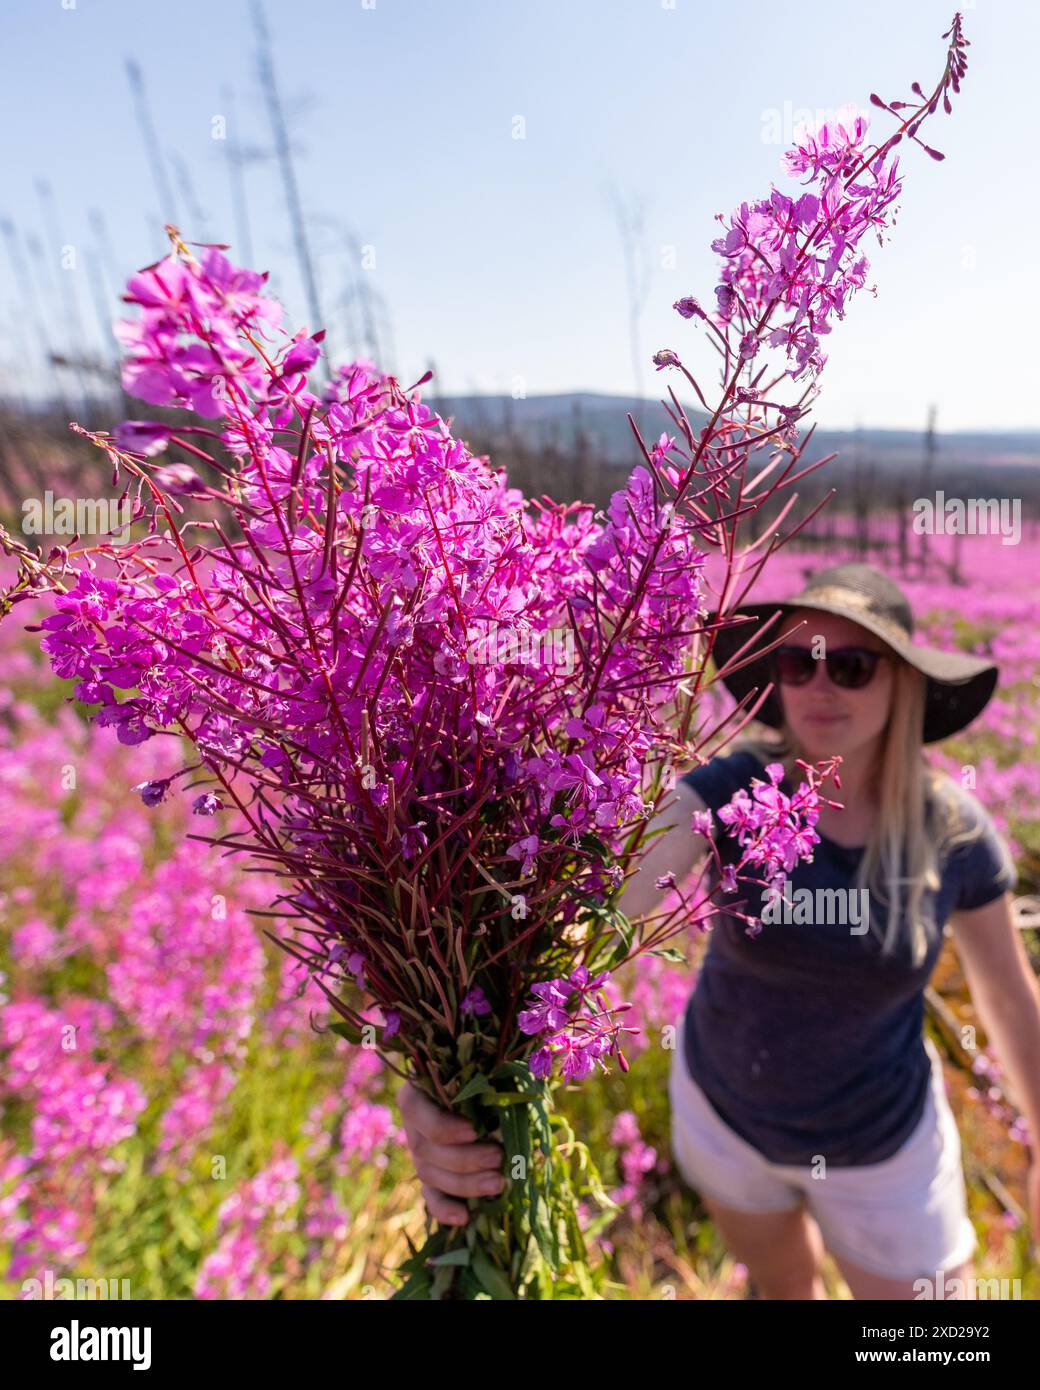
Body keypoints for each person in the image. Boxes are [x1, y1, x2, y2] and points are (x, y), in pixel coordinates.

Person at [397, 563, 1040, 1300]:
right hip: (727, 1122)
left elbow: (1011, 999)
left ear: (904, 685)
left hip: (882, 1150)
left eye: (854, 665)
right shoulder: (733, 788)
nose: (821, 685)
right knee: (781, 1289)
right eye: (801, 662)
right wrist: (446, 1069)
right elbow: (587, 914)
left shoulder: (953, 832)